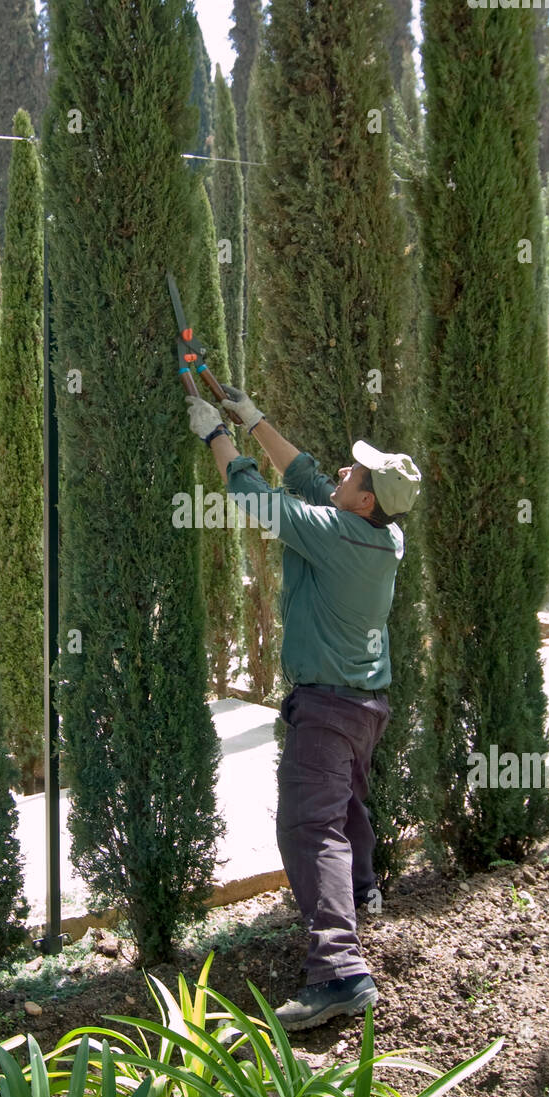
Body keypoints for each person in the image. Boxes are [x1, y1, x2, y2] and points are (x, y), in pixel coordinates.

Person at [186, 384, 421, 1032]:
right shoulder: (381, 538)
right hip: (362, 707)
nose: (342, 470)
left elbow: (257, 500)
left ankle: (338, 975)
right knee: (342, 813)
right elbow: (311, 479)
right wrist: (255, 419)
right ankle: (363, 892)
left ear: (365, 500)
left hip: (324, 712)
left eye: (356, 471)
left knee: (308, 829)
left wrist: (216, 436)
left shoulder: (331, 533)